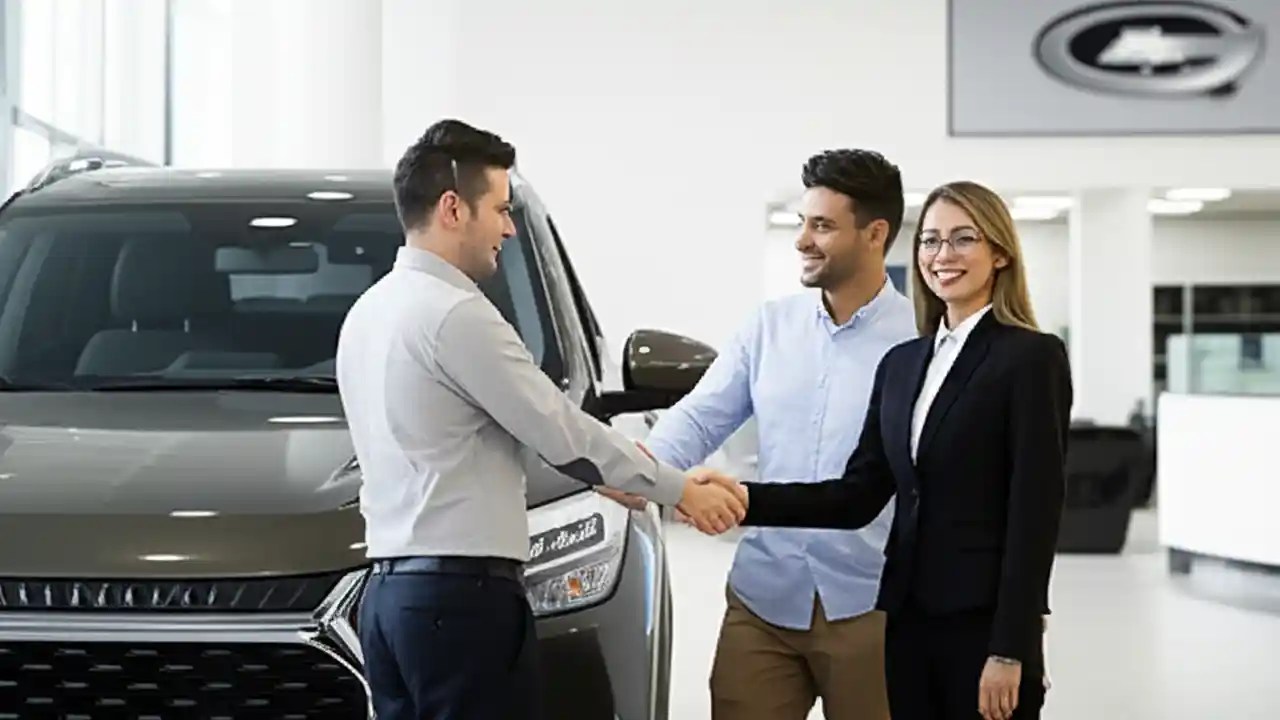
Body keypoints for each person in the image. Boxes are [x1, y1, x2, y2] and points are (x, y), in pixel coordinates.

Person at [335, 118, 746, 720]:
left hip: (391, 600)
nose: (507, 227)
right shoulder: (456, 315)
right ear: (453, 208)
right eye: (500, 210)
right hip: (462, 600)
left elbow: (459, 438)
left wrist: (607, 478)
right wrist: (679, 490)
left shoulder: (368, 315)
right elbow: (560, 426)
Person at [720, 180, 1072, 720]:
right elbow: (856, 495)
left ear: (999, 253)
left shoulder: (1030, 358)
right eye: (930, 241)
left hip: (981, 631)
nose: (942, 256)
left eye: (963, 239)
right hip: (904, 623)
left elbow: (1034, 515)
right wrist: (741, 498)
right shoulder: (903, 364)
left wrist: (1012, 647)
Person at [624, 149, 917, 719]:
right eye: (802, 222)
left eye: (823, 225)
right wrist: (639, 471)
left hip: (874, 607)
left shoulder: (919, 342)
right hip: (764, 599)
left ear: (875, 233)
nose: (803, 240)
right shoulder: (769, 327)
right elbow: (701, 415)